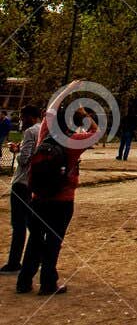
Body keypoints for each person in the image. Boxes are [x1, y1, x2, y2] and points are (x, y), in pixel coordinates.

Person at [17, 99, 100, 295]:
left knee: (34, 239)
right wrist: (84, 114)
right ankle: (48, 283)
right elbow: (96, 132)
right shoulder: (73, 142)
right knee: (54, 240)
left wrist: (64, 95)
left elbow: (49, 112)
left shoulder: (44, 136)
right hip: (62, 199)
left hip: (38, 197)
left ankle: (24, 282)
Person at [1, 105, 41, 275]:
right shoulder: (44, 130)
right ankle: (37, 258)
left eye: (23, 117)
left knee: (18, 224)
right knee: (32, 223)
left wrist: (16, 151)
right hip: (35, 182)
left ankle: (14, 262)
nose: (21, 121)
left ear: (30, 117)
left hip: (22, 181)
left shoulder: (30, 132)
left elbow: (24, 159)